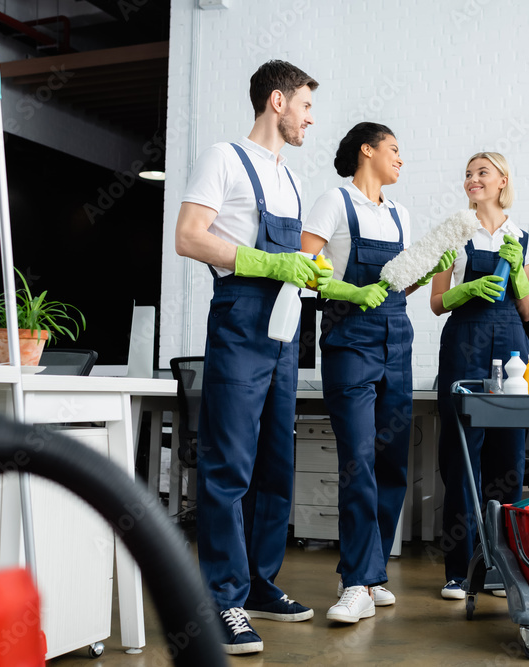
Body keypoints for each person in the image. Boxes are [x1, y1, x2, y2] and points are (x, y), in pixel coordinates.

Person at [174, 60, 330, 655]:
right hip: (240, 320)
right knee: (228, 467)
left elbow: (289, 254)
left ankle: (261, 583)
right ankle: (223, 601)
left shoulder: (286, 174)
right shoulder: (224, 158)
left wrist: (307, 270)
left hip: (283, 327)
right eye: (306, 107)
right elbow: (189, 236)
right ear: (277, 102)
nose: (310, 119)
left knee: (274, 463)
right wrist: (267, 262)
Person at [301, 122, 454, 624]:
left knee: (391, 462)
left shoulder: (400, 214)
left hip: (396, 340)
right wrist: (348, 292)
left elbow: (399, 287)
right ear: (367, 150)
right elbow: (305, 267)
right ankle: (355, 581)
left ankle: (371, 573)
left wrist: (431, 269)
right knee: (359, 460)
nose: (400, 159)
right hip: (349, 339)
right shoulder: (334, 202)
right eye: (394, 149)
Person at [428, 152, 529, 600]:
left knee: (508, 461)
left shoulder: (522, 237)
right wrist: (467, 289)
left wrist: (517, 274)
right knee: (462, 461)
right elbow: (437, 302)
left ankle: (503, 566)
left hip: (513, 348)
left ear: (502, 181)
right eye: (468, 173)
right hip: (464, 348)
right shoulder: (452, 232)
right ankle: (459, 570)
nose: (472, 179)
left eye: (482, 173)